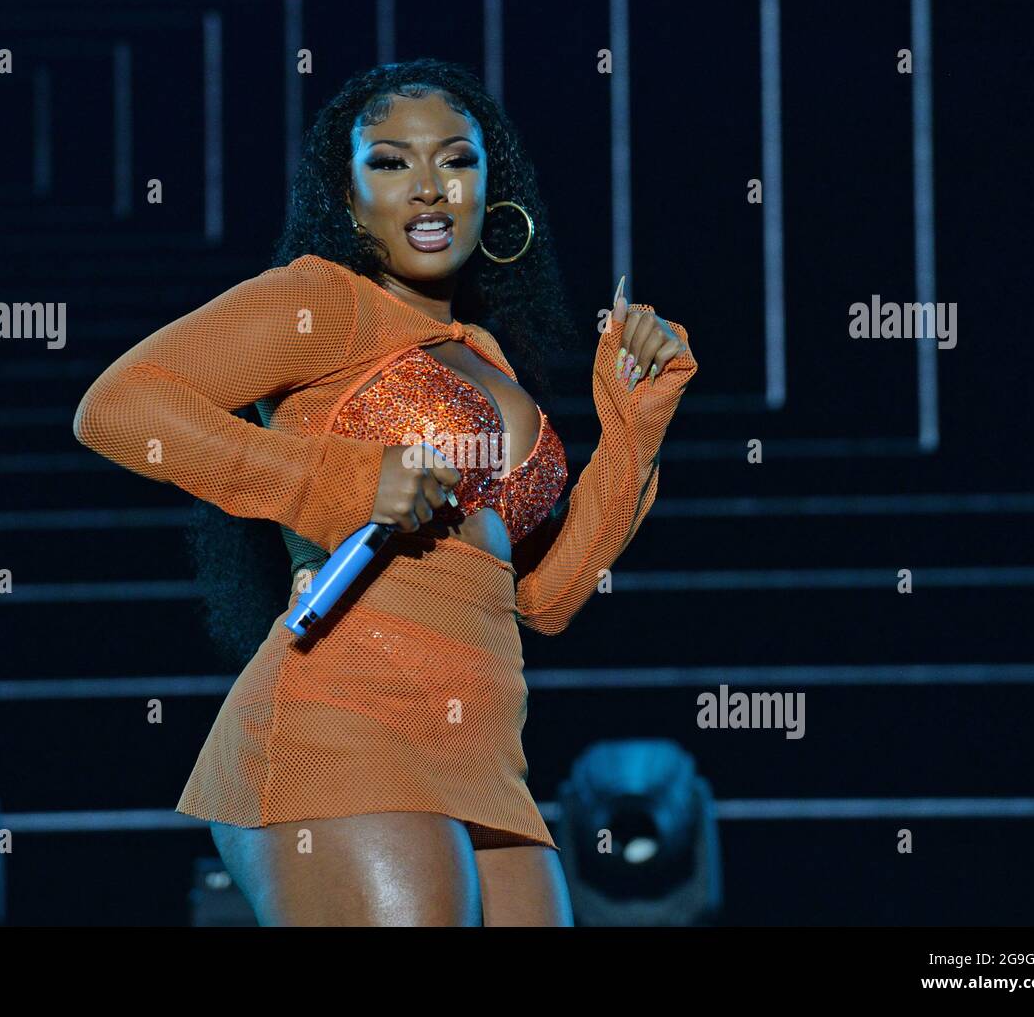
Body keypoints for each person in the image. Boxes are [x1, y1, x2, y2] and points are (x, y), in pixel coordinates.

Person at [72, 58, 698, 926]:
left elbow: (544, 598)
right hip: (345, 712)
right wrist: (349, 482)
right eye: (391, 162)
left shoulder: (486, 354)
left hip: (484, 750)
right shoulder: (325, 302)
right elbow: (116, 405)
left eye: (456, 160)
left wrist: (635, 422)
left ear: (492, 188)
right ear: (349, 194)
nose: (430, 188)